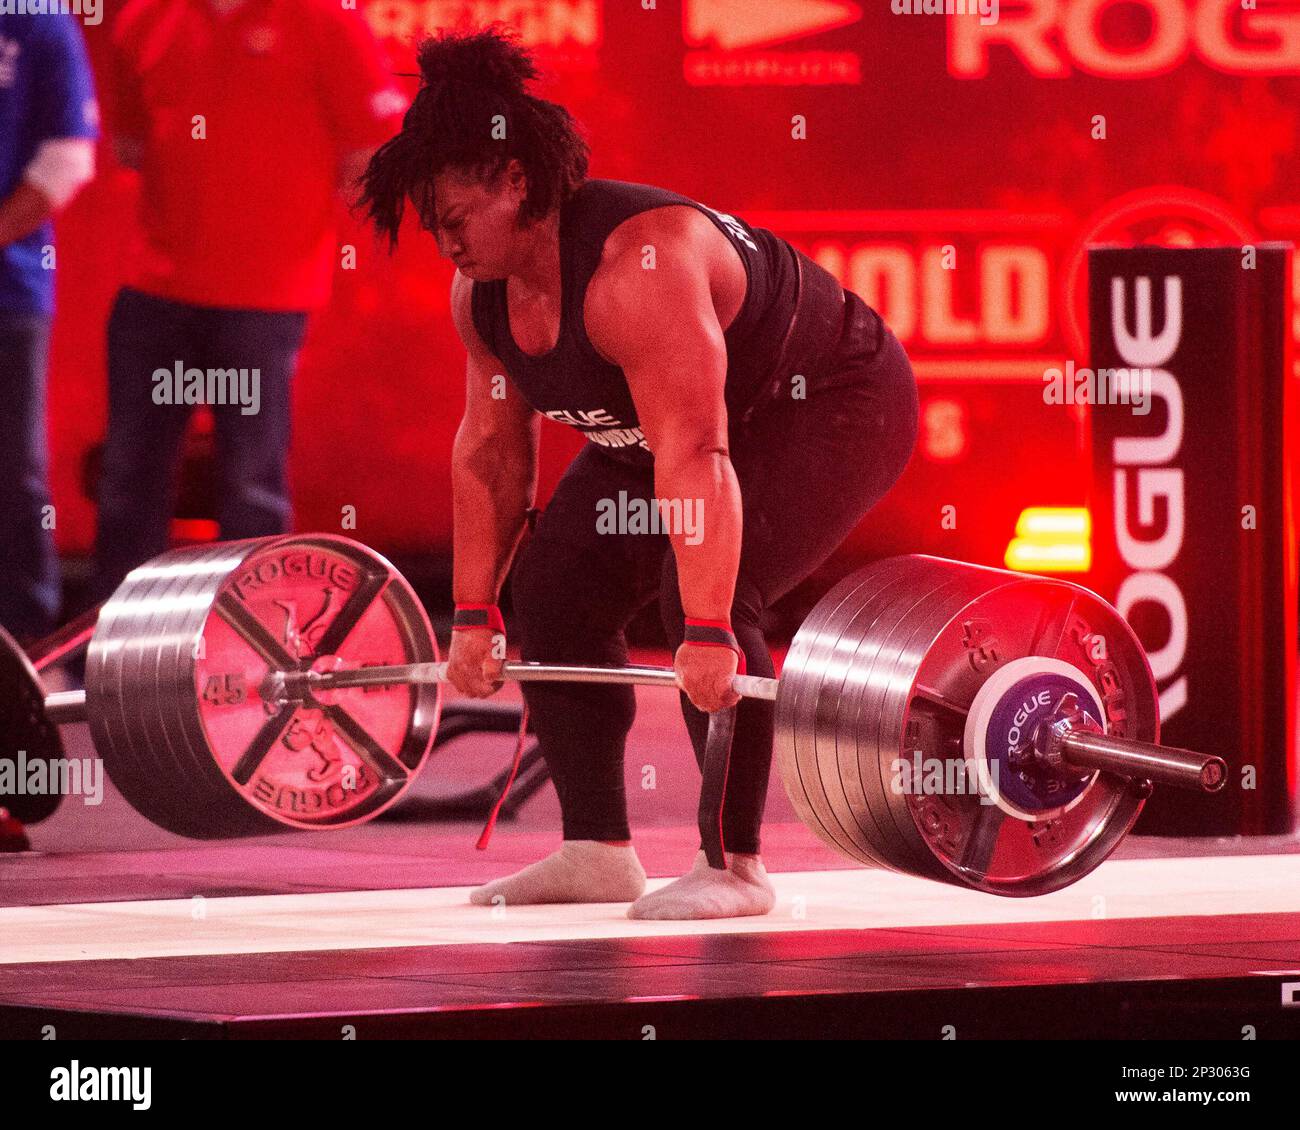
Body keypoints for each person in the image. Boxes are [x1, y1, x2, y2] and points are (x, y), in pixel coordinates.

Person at [360, 25, 919, 920]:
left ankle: (736, 868)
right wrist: (473, 611)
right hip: (665, 435)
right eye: (432, 229)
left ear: (514, 180)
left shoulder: (636, 269)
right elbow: (493, 454)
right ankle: (596, 851)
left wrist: (702, 629)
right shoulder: (485, 296)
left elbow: (697, 453)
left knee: (710, 596)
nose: (445, 246)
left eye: (455, 222)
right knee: (556, 587)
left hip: (828, 405)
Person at [92, 0, 406, 602]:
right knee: (129, 480)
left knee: (251, 487)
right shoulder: (143, 16)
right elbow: (130, 142)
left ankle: (259, 641)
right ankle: (110, 652)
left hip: (266, 298)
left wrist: (288, 221)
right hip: (156, 290)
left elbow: (372, 144)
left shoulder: (322, 20)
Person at [0, 10, 97, 642]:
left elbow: (68, 160)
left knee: (13, 471)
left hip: (9, 290)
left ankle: (26, 649)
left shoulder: (36, 19)